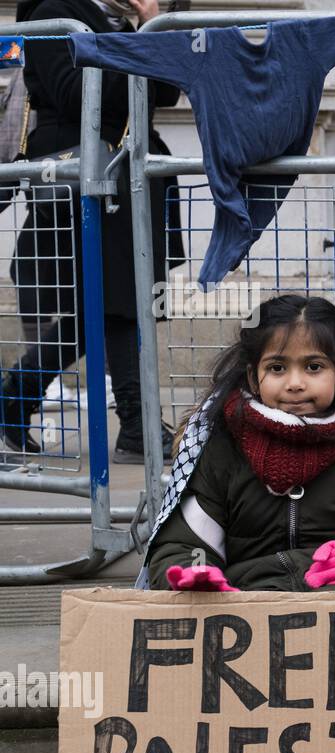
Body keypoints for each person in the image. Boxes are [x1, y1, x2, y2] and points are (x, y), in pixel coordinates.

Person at [142, 295, 335, 591]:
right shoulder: (218, 441)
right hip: (242, 604)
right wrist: (195, 574)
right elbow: (183, 539)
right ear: (252, 377)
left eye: (314, 367)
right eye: (277, 368)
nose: (295, 383)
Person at [1, 0, 186, 464]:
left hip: (126, 170)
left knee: (108, 301)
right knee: (114, 299)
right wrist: (139, 50)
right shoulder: (54, 7)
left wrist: (146, 28)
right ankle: (137, 425)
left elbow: (166, 92)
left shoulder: (121, 20)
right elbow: (73, 91)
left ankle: (16, 395)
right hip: (80, 168)